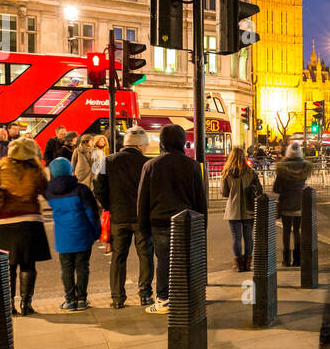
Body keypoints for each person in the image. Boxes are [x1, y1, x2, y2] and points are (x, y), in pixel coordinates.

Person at [136, 123, 207, 314]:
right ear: (183, 142)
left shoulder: (151, 165)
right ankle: (189, 296)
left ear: (163, 142)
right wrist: (203, 225)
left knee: (164, 260)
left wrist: (143, 226)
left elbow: (143, 199)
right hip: (187, 221)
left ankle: (164, 299)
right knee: (187, 260)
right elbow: (200, 199)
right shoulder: (192, 166)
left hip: (159, 221)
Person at [0, 136, 51, 315]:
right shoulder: (35, 169)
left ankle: (8, 305)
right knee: (28, 265)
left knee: (8, 266)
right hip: (30, 221)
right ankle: (27, 305)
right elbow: (47, 191)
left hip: (3, 222)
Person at [96, 127, 153, 308]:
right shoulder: (148, 163)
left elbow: (98, 188)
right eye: (145, 145)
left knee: (118, 257)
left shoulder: (106, 161)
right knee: (145, 256)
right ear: (140, 145)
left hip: (118, 217)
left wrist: (109, 206)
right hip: (141, 218)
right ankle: (145, 294)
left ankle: (117, 298)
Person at [44, 156, 100, 311]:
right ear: (69, 170)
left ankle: (70, 300)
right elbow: (92, 214)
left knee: (66, 269)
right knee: (82, 267)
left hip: (63, 237)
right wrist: (96, 233)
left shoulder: (49, 192)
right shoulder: (81, 189)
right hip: (82, 234)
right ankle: (82, 299)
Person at [221, 146, 262, 272]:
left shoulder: (227, 172)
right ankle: (248, 264)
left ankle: (239, 265)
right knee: (248, 236)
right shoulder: (250, 172)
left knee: (236, 237)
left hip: (233, 210)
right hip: (249, 209)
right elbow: (259, 190)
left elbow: (224, 193)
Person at [272, 140, 311, 267]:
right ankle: (298, 258)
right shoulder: (304, 168)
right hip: (300, 203)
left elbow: (276, 188)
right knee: (297, 231)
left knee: (286, 231)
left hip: (286, 203)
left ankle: (286, 259)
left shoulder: (282, 168)